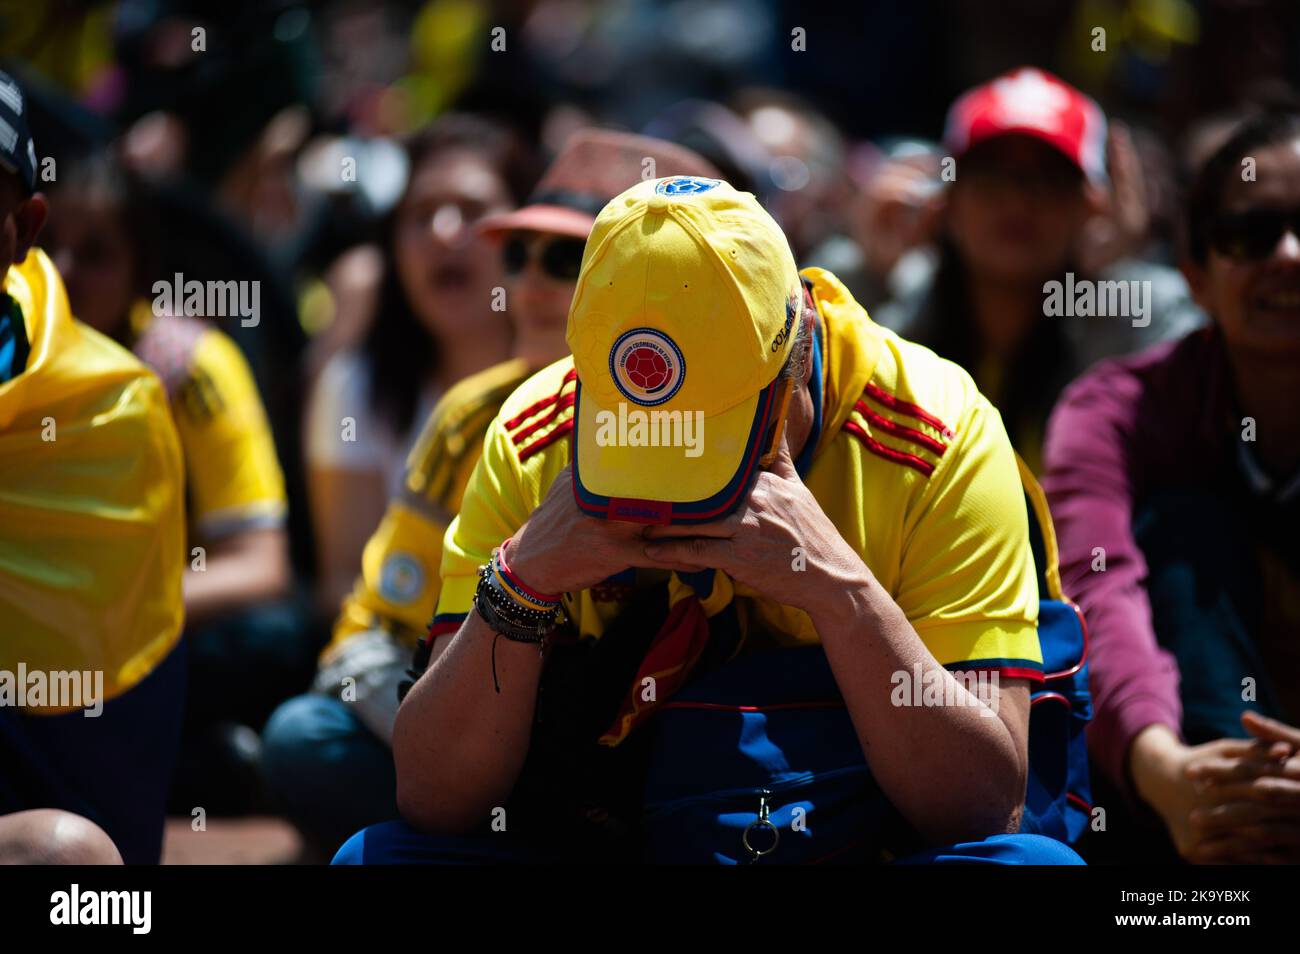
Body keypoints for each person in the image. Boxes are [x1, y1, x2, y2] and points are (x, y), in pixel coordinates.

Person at [335, 175, 1080, 864]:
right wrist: (520, 586)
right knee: (370, 857)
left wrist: (843, 596)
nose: (673, 495)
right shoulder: (534, 430)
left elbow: (987, 806)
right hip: (611, 835)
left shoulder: (938, 433)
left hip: (852, 844)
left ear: (797, 347)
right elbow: (433, 800)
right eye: (635, 440)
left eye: (709, 444)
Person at [262, 131, 720, 853]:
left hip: (664, 750)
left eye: (566, 259)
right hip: (497, 745)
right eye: (518, 255)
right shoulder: (470, 418)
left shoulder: (723, 422)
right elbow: (372, 630)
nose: (530, 284)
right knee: (305, 737)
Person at [1043, 109, 1300, 864]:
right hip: (1177, 792)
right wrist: (1169, 769)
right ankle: (1240, 813)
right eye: (1249, 233)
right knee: (1184, 529)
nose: (1288, 255)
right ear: (1194, 274)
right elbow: (1098, 586)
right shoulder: (1116, 412)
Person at [43, 154, 307, 812]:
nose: (66, 273)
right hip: (30, 632)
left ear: (141, 271)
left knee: (273, 640)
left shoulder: (191, 368)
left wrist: (110, 609)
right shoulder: (11, 356)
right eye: (50, 247)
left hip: (151, 632)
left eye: (96, 252)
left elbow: (260, 566)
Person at [0, 71, 186, 864]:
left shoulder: (111, 409)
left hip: (38, 819)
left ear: (24, 225)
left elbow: (110, 800)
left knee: (72, 865)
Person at [874, 67, 1203, 473]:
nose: (1017, 200)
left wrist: (1123, 272)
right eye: (992, 174)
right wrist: (863, 264)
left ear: (1094, 206)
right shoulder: (888, 314)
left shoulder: (1139, 315)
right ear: (947, 200)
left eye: (1048, 178)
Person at [304, 115, 531, 615]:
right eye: (419, 213)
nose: (443, 233)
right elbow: (342, 580)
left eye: (473, 210)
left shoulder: (577, 387)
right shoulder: (353, 387)